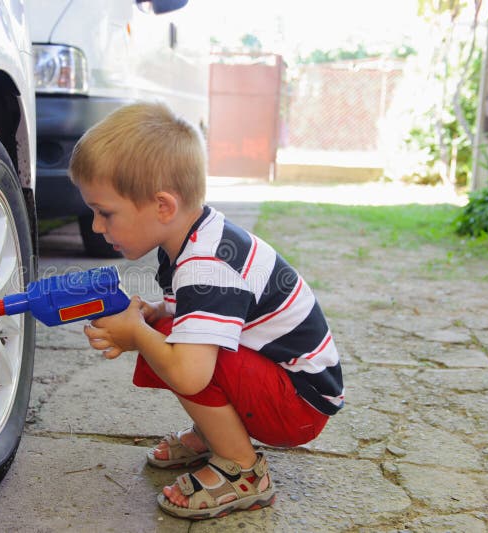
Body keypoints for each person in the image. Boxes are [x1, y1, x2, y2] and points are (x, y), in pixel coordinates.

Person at [69, 101, 344, 520]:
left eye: (105, 212)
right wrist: (153, 314)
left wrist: (137, 334)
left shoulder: (207, 265)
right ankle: (216, 434)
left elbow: (190, 373)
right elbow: (191, 312)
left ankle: (243, 472)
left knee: (183, 351)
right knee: (169, 326)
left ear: (163, 206)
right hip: (286, 384)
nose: (96, 227)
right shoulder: (192, 238)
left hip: (298, 407)